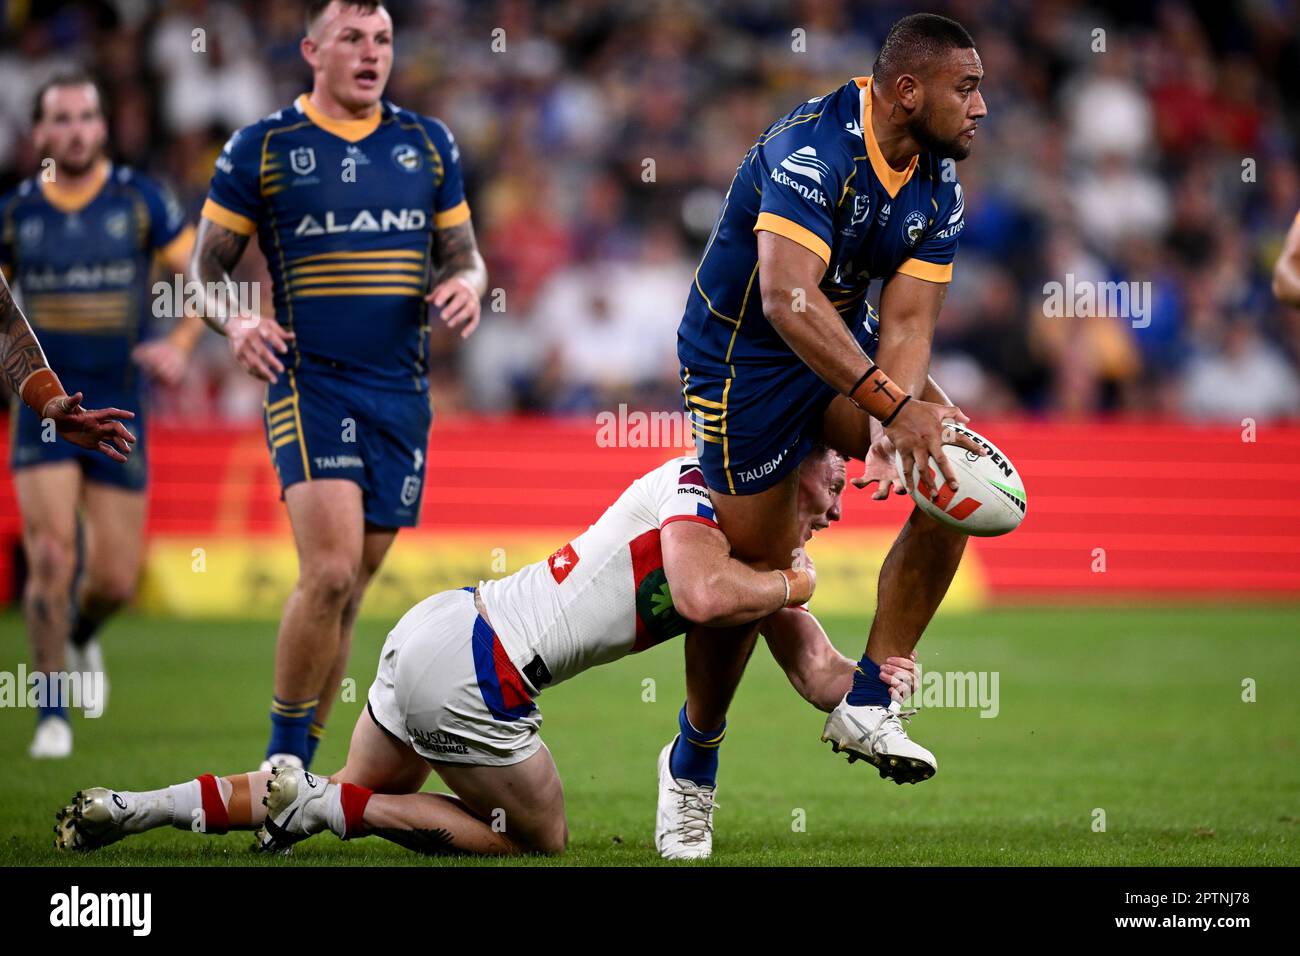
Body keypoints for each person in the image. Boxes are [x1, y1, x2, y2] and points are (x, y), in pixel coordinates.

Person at [54, 446, 916, 858]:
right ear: (792, 460)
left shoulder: (754, 554)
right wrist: (797, 586)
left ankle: (141, 807)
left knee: (362, 795)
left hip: (441, 629)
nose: (837, 509)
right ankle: (317, 805)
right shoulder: (700, 488)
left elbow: (817, 674)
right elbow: (699, 595)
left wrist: (882, 688)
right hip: (482, 675)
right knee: (539, 839)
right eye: (833, 485)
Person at [662, 12, 989, 855]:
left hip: (835, 353)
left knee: (955, 473)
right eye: (967, 87)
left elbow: (910, 322)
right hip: (742, 365)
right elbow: (787, 300)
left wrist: (900, 412)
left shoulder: (937, 182)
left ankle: (871, 698)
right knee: (760, 565)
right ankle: (693, 760)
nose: (981, 106)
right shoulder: (813, 150)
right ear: (907, 91)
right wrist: (886, 400)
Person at [190, 0, 487, 771]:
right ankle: (280, 765)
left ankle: (301, 779)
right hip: (310, 381)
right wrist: (239, 324)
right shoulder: (264, 147)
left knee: (351, 585)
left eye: (383, 38)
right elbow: (203, 272)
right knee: (325, 570)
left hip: (402, 392)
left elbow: (466, 257)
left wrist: (465, 285)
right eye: (352, 38)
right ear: (312, 50)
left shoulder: (426, 143)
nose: (371, 52)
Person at [1, 72, 202, 759]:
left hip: (120, 401)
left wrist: (177, 345)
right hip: (44, 407)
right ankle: (50, 712)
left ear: (103, 126)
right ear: (41, 133)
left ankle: (84, 634)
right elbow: (2, 325)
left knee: (116, 578)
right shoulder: (15, 213)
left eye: (88, 115)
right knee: (51, 554)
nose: (77, 129)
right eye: (62, 118)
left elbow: (200, 278)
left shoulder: (141, 201)